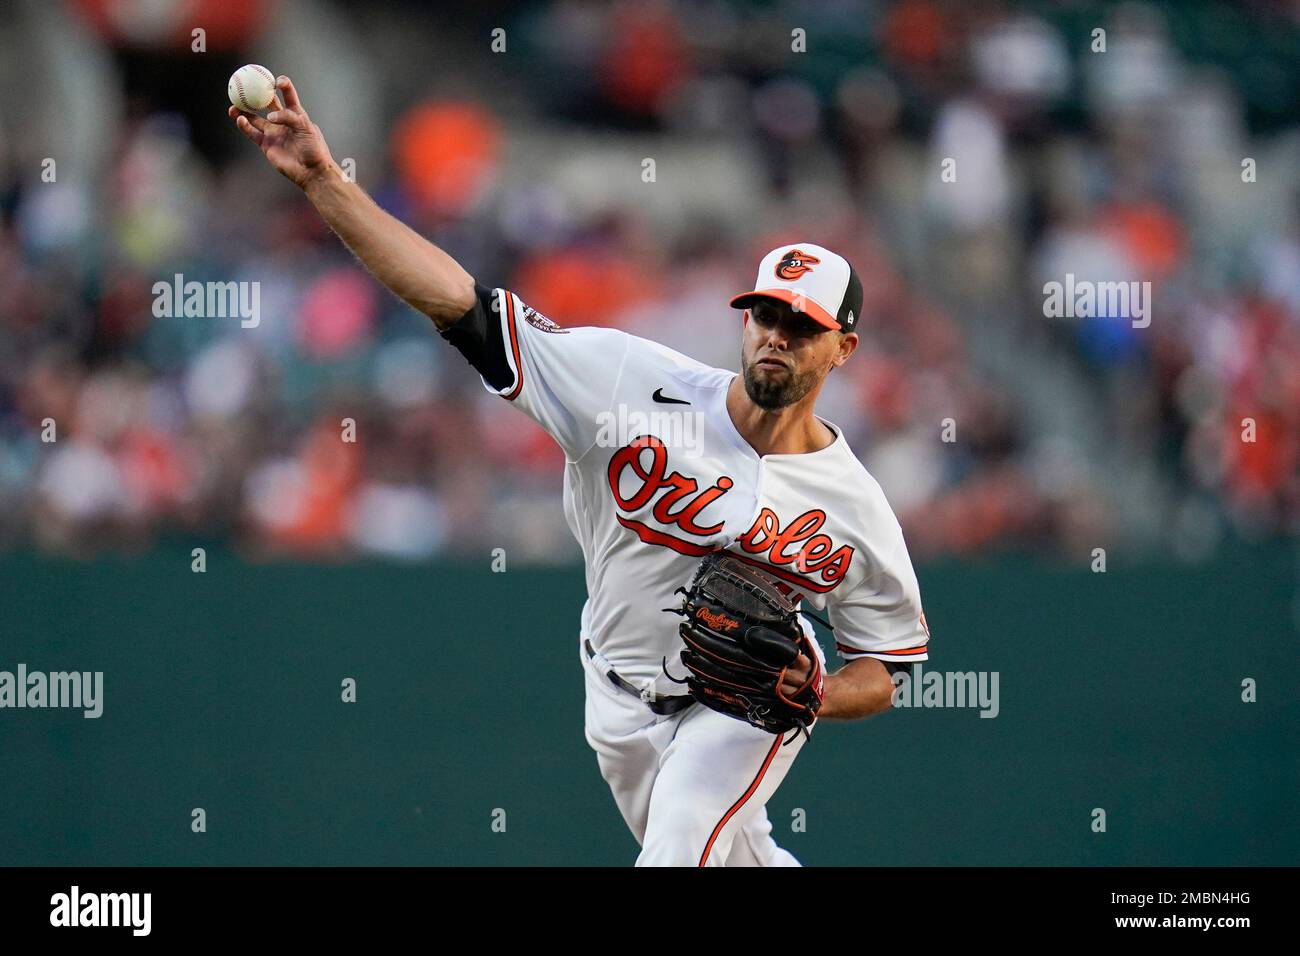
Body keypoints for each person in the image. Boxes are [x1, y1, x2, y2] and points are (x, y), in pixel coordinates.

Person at [229, 77, 931, 866]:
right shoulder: (627, 380)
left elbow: (888, 667)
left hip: (747, 710)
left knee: (678, 848)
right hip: (615, 690)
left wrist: (817, 694)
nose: (777, 335)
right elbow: (457, 303)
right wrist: (327, 182)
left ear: (843, 348)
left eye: (802, 325)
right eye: (766, 314)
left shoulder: (855, 506)